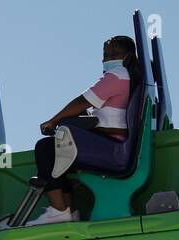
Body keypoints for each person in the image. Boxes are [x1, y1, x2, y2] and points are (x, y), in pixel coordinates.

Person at [26, 35, 140, 226]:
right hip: (114, 140)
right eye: (105, 55)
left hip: (110, 145)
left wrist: (53, 121)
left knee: (46, 148)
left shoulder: (118, 75)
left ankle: (59, 211)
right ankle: (69, 212)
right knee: (58, 149)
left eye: (113, 54)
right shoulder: (130, 76)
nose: (107, 59)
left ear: (128, 56)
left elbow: (82, 101)